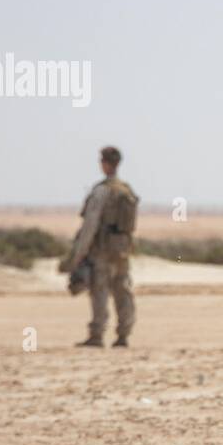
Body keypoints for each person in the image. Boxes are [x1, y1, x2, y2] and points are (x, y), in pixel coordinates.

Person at [60, 146, 139, 347]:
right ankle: (123, 334)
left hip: (103, 250)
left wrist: (77, 255)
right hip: (122, 250)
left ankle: (97, 334)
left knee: (100, 291)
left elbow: (90, 225)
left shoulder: (102, 191)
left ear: (104, 163)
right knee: (122, 290)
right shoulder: (126, 190)